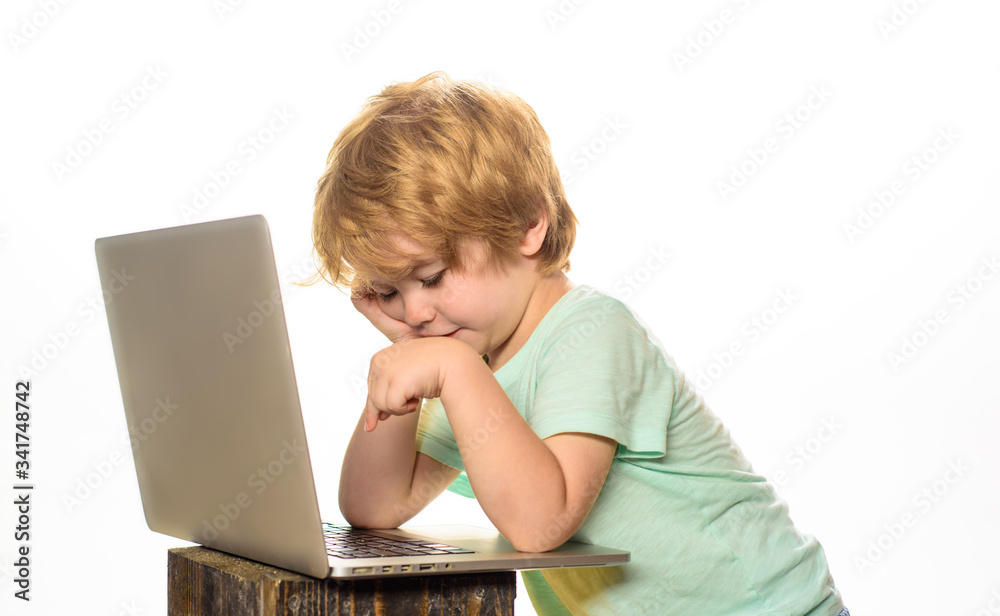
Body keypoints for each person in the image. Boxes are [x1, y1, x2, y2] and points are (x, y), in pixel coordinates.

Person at [311, 71, 847, 615]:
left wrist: (449, 367)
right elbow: (372, 505)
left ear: (526, 226)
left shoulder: (590, 331)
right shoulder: (469, 361)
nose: (416, 310)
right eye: (388, 291)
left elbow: (541, 522)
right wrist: (408, 351)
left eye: (430, 277)